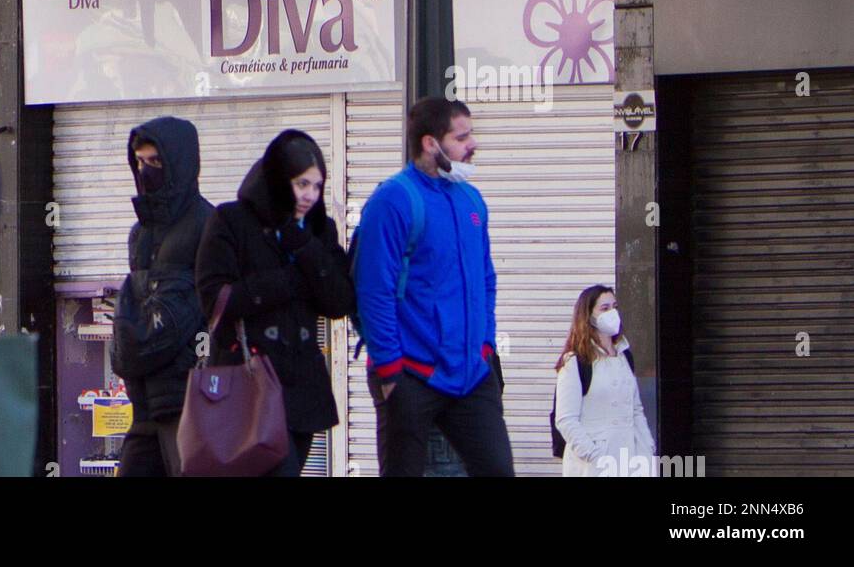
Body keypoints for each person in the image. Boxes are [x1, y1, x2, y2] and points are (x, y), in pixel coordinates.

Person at [353, 95, 514, 477]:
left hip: (471, 374)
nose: (471, 145)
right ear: (430, 143)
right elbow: (374, 290)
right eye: (461, 137)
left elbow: (486, 280)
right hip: (410, 374)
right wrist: (391, 372)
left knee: (498, 470)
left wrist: (485, 347)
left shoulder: (471, 199)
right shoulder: (393, 200)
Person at [195, 129, 354, 476]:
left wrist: (303, 245)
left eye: (317, 185)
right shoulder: (231, 220)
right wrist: (289, 281)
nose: (309, 195)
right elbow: (215, 298)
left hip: (301, 388)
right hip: (249, 383)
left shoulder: (319, 229)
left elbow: (339, 301)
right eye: (301, 184)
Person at [109, 117, 214, 477]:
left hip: (189, 399)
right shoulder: (140, 233)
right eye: (139, 162)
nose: (145, 170)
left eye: (155, 161)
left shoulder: (208, 224)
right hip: (144, 402)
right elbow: (135, 311)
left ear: (178, 164)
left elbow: (205, 309)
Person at [553, 285, 656, 477]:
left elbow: (636, 410)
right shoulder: (576, 361)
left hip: (630, 458)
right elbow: (566, 420)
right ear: (588, 316)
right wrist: (595, 456)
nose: (612, 313)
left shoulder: (625, 356)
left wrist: (647, 450)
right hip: (594, 464)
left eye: (614, 306)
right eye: (605, 308)